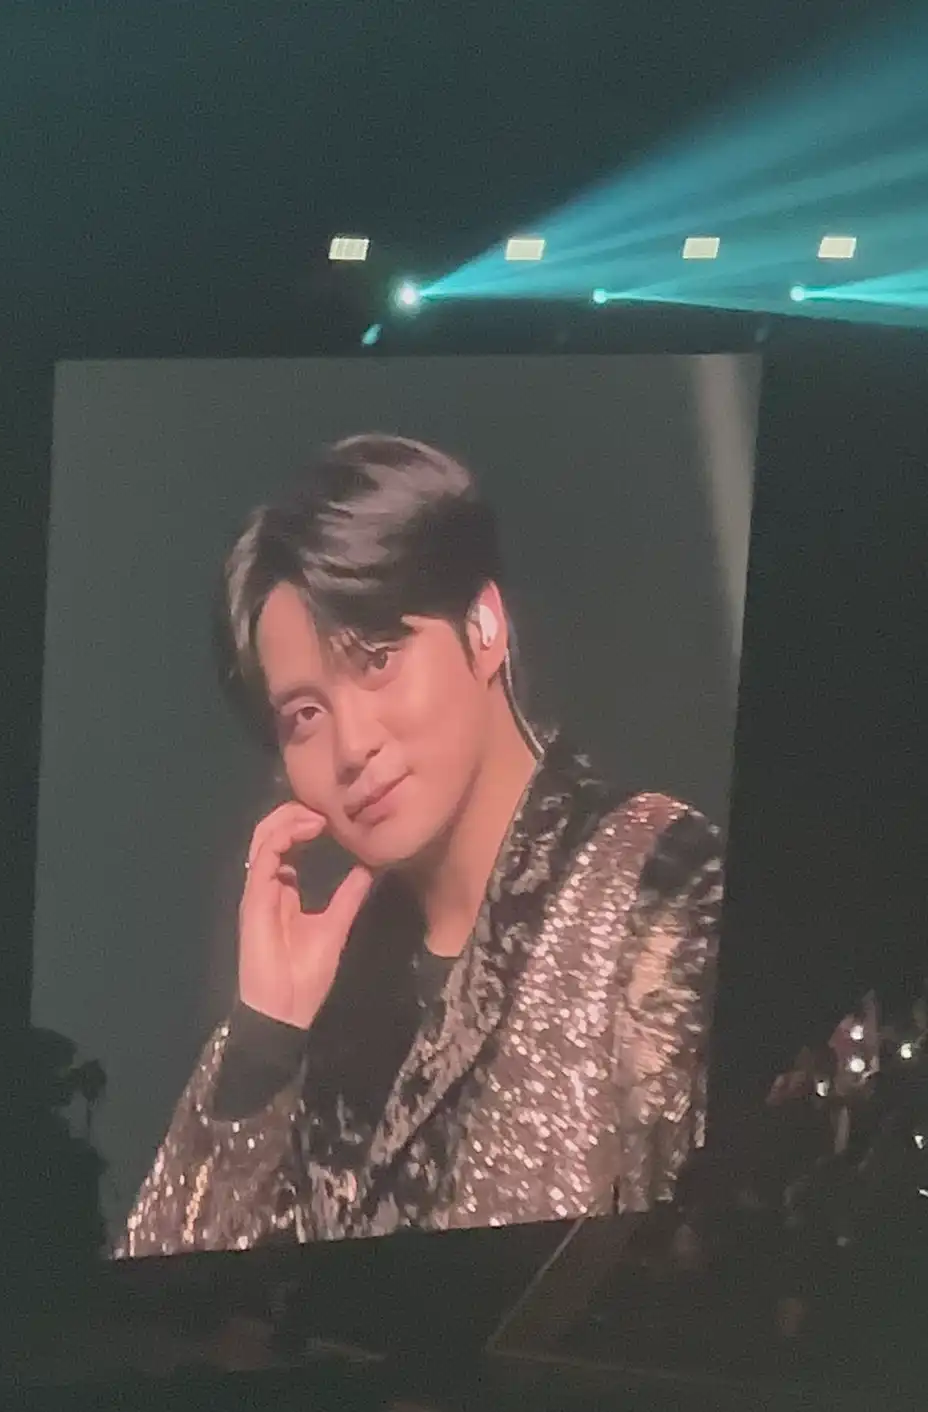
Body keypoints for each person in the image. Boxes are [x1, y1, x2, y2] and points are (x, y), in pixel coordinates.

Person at [114, 435, 724, 1257]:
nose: (352, 745)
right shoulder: (317, 996)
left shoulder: (661, 890)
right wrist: (264, 1042)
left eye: (378, 658)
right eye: (304, 714)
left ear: (483, 625)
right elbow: (164, 1312)